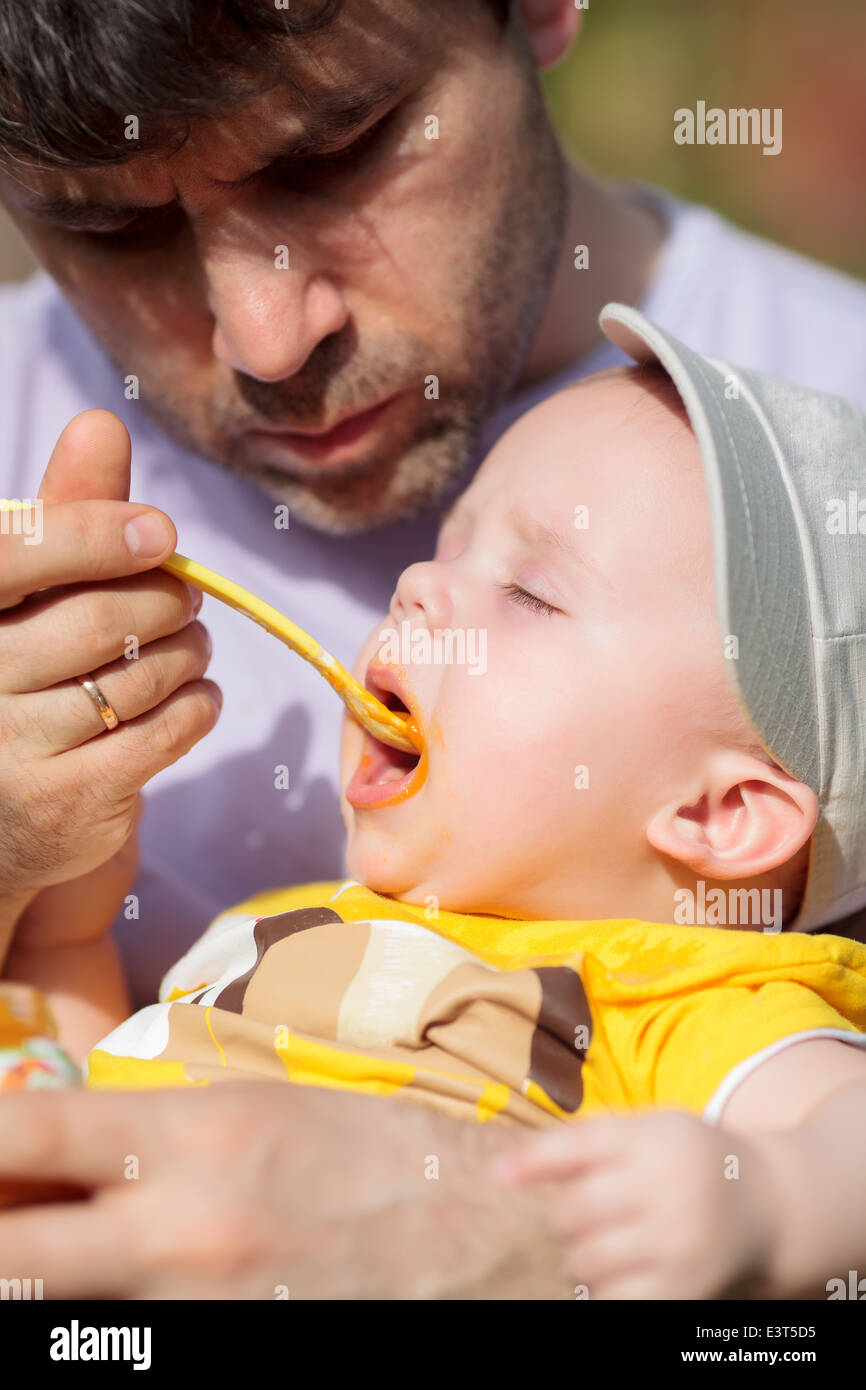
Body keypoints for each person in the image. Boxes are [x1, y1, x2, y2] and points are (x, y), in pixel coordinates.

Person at [1, 0, 865, 1298]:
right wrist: (44, 878)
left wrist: (733, 1222)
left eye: (332, 149)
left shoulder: (669, 982)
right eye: (108, 222)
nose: (266, 337)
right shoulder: (294, 929)